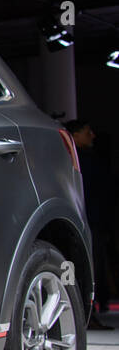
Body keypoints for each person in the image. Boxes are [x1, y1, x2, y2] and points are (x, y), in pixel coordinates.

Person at [67, 119, 115, 330]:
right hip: (85, 219)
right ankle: (86, 313)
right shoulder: (76, 161)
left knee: (93, 265)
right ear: (75, 135)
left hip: (92, 219)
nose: (92, 136)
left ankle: (89, 312)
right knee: (88, 265)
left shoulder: (87, 159)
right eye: (87, 132)